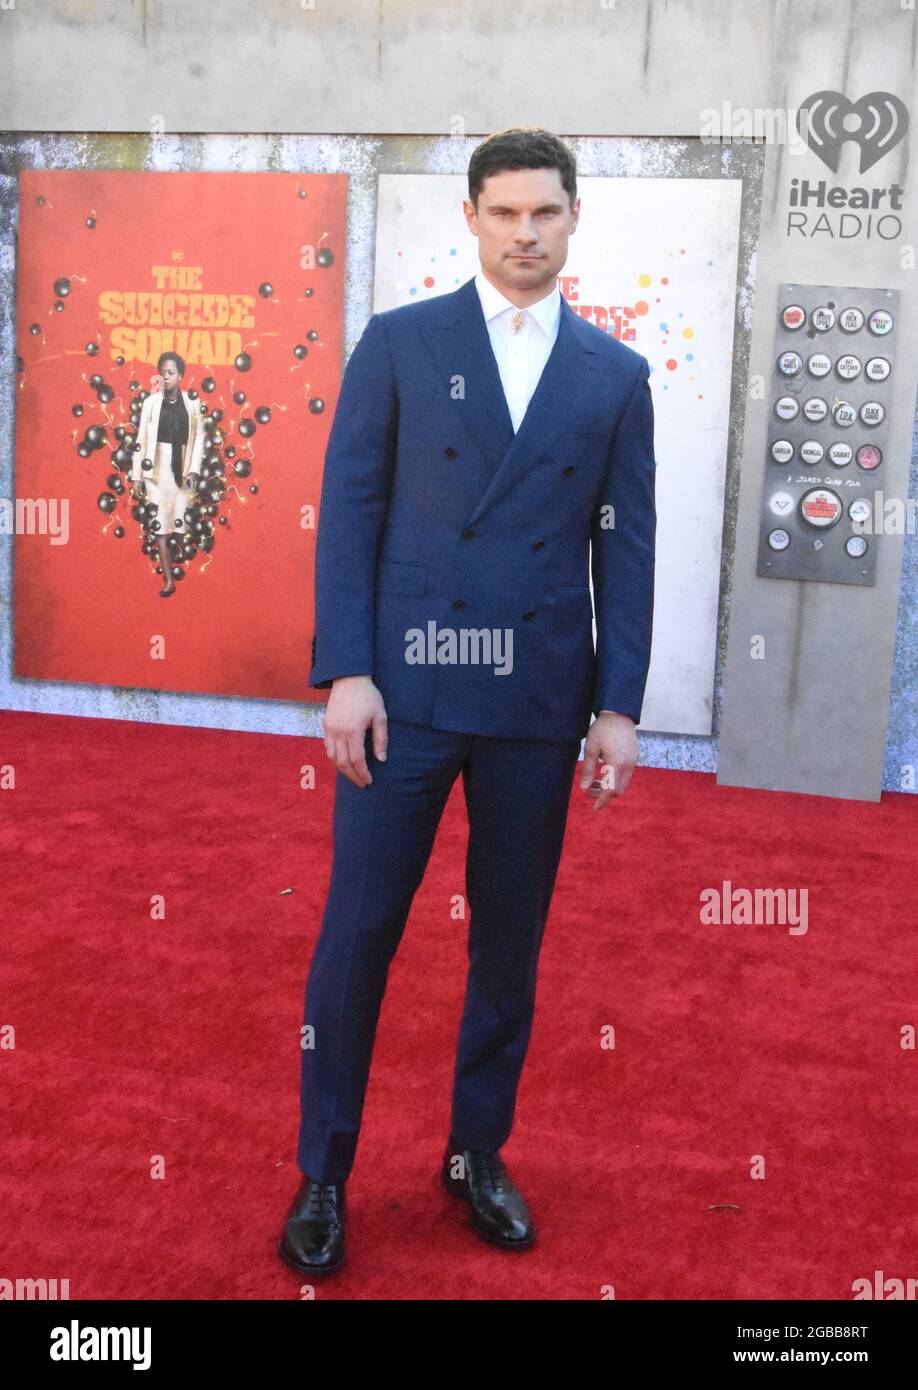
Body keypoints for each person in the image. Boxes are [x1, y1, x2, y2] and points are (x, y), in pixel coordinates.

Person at [279, 127, 657, 1277]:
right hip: (406, 692)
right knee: (359, 933)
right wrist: (345, 668)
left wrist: (619, 705)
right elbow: (349, 514)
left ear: (574, 218)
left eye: (545, 213)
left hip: (538, 701)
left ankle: (474, 1154)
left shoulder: (614, 375)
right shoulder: (401, 346)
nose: (526, 233)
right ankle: (322, 1172)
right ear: (473, 219)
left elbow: (626, 552)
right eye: (505, 213)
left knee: (508, 943)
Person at [130, 352, 203, 596]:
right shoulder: (150, 404)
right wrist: (137, 475)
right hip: (157, 468)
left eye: (170, 373)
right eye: (162, 372)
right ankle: (169, 580)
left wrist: (193, 469)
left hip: (182, 467)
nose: (166, 377)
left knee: (181, 526)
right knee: (161, 526)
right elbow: (141, 439)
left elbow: (199, 439)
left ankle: (184, 572)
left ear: (180, 376)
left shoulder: (193, 403)